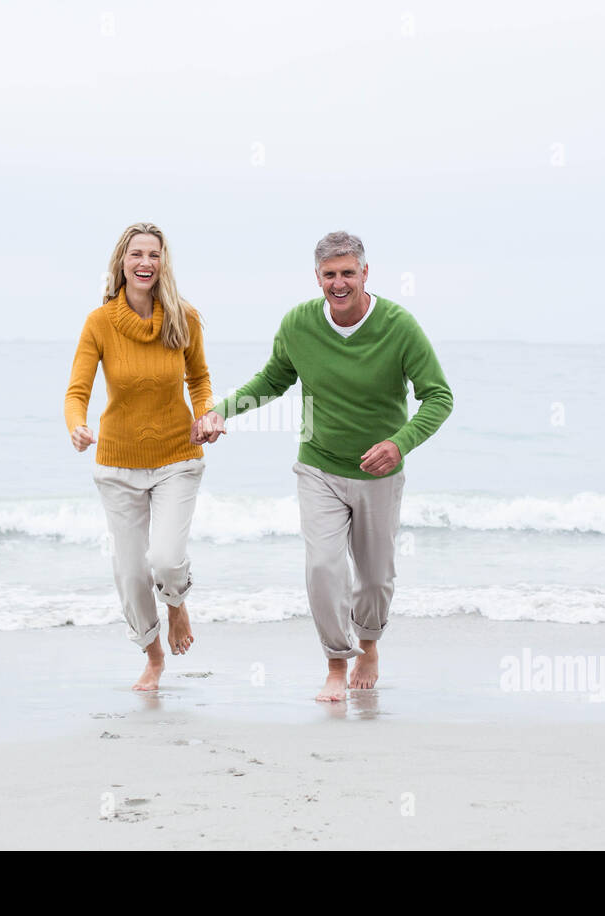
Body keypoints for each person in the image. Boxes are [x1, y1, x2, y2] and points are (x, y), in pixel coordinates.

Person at [194, 231, 452, 702]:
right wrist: (220, 412)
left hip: (379, 474)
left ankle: (368, 645)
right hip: (319, 467)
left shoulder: (399, 325)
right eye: (330, 274)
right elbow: (273, 379)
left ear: (365, 273)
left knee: (375, 577)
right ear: (317, 277)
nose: (339, 283)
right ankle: (336, 661)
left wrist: (401, 443)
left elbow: (439, 396)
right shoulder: (299, 324)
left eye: (348, 273)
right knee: (323, 568)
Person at [65, 222, 215, 691]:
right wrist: (77, 427)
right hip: (117, 464)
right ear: (122, 263)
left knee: (167, 560)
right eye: (137, 254)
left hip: (177, 456)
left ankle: (177, 605)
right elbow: (77, 392)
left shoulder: (183, 318)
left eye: (153, 254)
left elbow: (200, 380)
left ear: (162, 263)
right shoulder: (99, 322)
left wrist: (206, 414)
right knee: (131, 574)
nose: (145, 262)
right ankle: (153, 656)